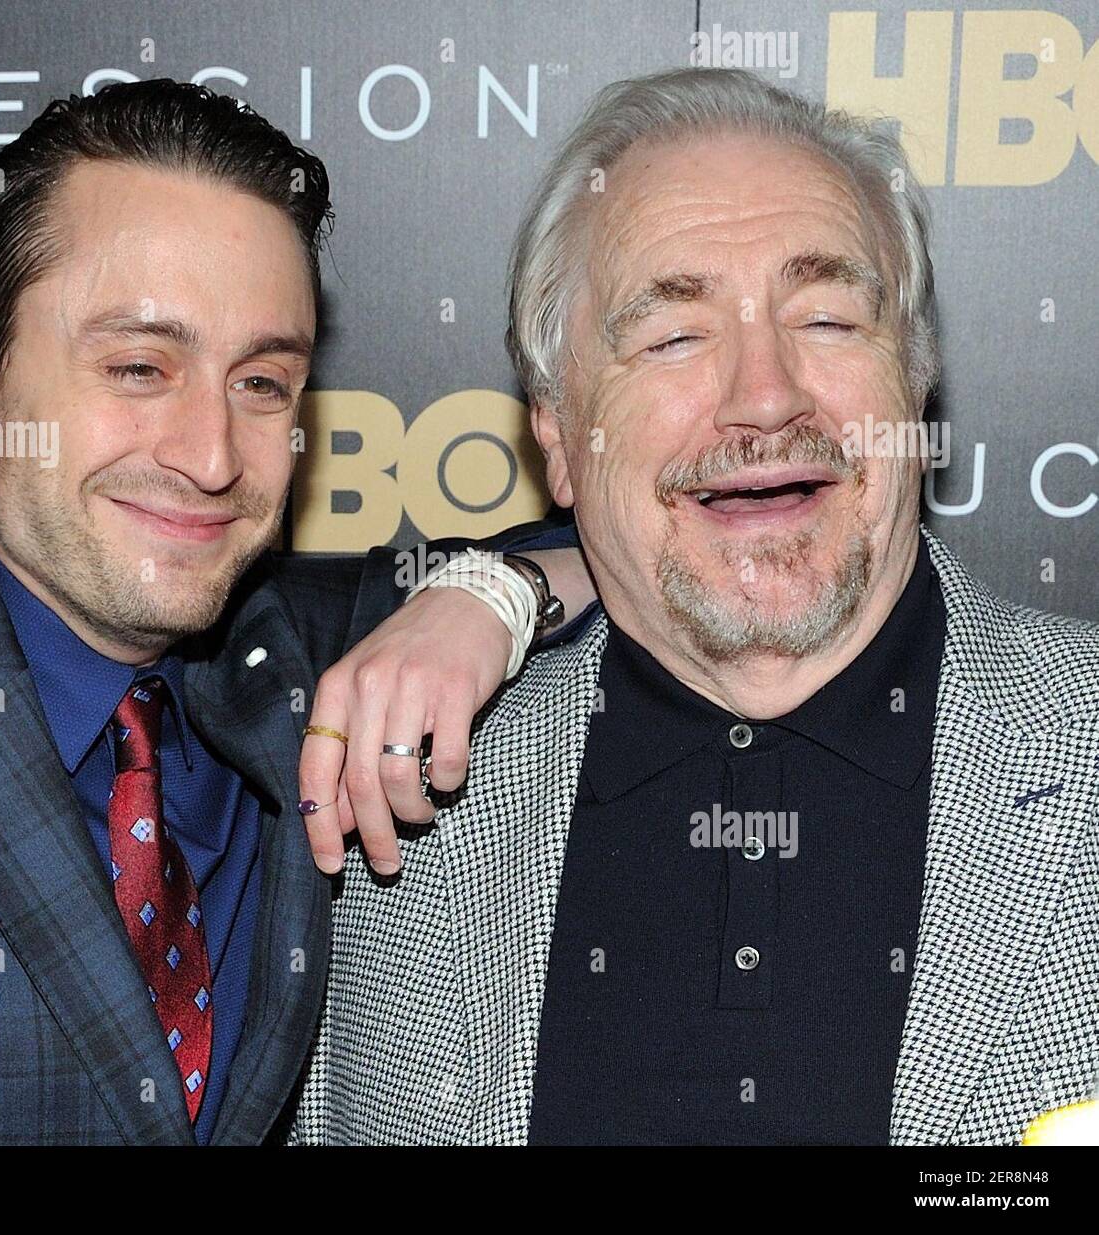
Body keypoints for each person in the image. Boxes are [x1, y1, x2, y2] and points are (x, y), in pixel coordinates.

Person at [291, 67, 1099, 1146]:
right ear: (560, 438)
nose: (763, 394)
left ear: (915, 380)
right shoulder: (399, 814)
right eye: (672, 336)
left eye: (826, 316)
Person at [0, 79, 589, 1146]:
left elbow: (646, 539)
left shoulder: (298, 649)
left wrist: (488, 595)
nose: (211, 456)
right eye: (138, 367)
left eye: (262, 384)